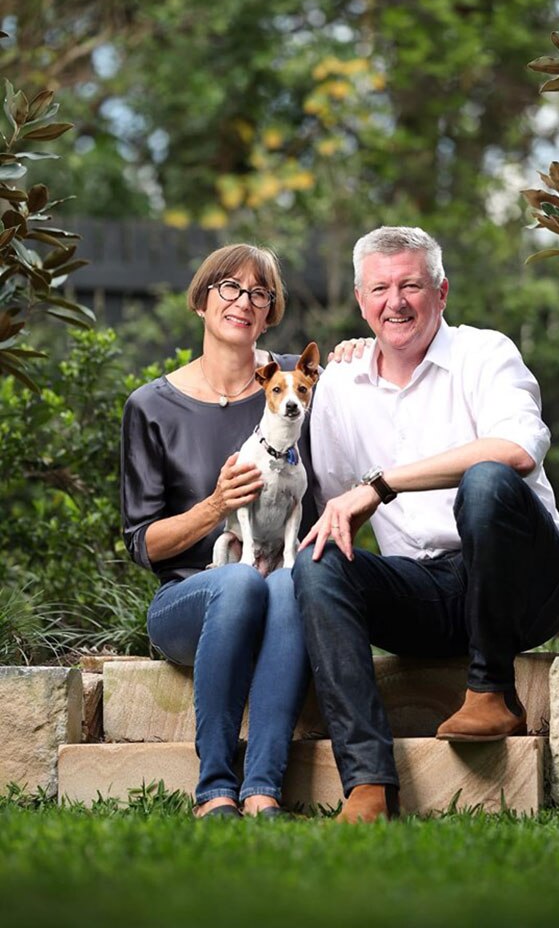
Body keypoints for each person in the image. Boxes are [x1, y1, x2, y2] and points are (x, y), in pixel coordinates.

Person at [292, 225, 559, 824]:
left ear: (442, 293)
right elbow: (326, 502)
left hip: (525, 587)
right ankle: (368, 784)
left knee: (486, 478)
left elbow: (518, 452)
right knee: (318, 557)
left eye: (411, 285)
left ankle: (490, 692)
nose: (395, 301)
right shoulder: (341, 384)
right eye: (380, 288)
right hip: (426, 593)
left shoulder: (485, 352)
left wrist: (383, 484)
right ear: (360, 300)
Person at [121, 243, 319, 820]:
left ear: (270, 309)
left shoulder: (291, 391)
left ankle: (262, 791)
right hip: (190, 598)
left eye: (261, 292)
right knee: (238, 583)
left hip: (273, 587)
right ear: (203, 300)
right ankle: (214, 789)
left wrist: (359, 346)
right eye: (229, 287)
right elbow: (143, 543)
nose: (244, 301)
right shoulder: (151, 406)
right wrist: (213, 507)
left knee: (283, 584)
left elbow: (354, 370)